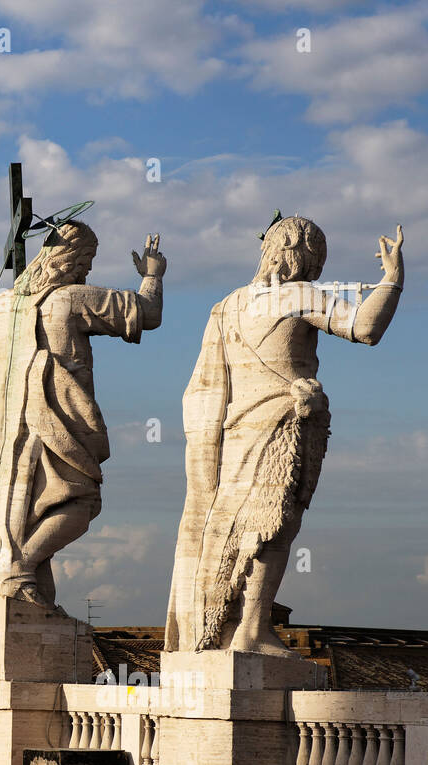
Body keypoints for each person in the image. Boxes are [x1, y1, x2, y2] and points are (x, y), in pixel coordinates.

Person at [164, 218, 404, 654]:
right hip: (283, 425)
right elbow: (366, 329)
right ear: (307, 256)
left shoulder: (227, 306)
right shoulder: (299, 295)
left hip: (234, 433)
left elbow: (204, 387)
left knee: (238, 528)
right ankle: (251, 630)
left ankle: (222, 627)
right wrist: (393, 279)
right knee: (276, 524)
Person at [0, 221, 165, 610]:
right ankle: (17, 569)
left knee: (31, 510)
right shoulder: (70, 299)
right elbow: (147, 313)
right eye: (88, 260)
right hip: (53, 423)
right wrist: (152, 274)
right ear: (74, 259)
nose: (88, 270)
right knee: (81, 502)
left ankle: (23, 577)